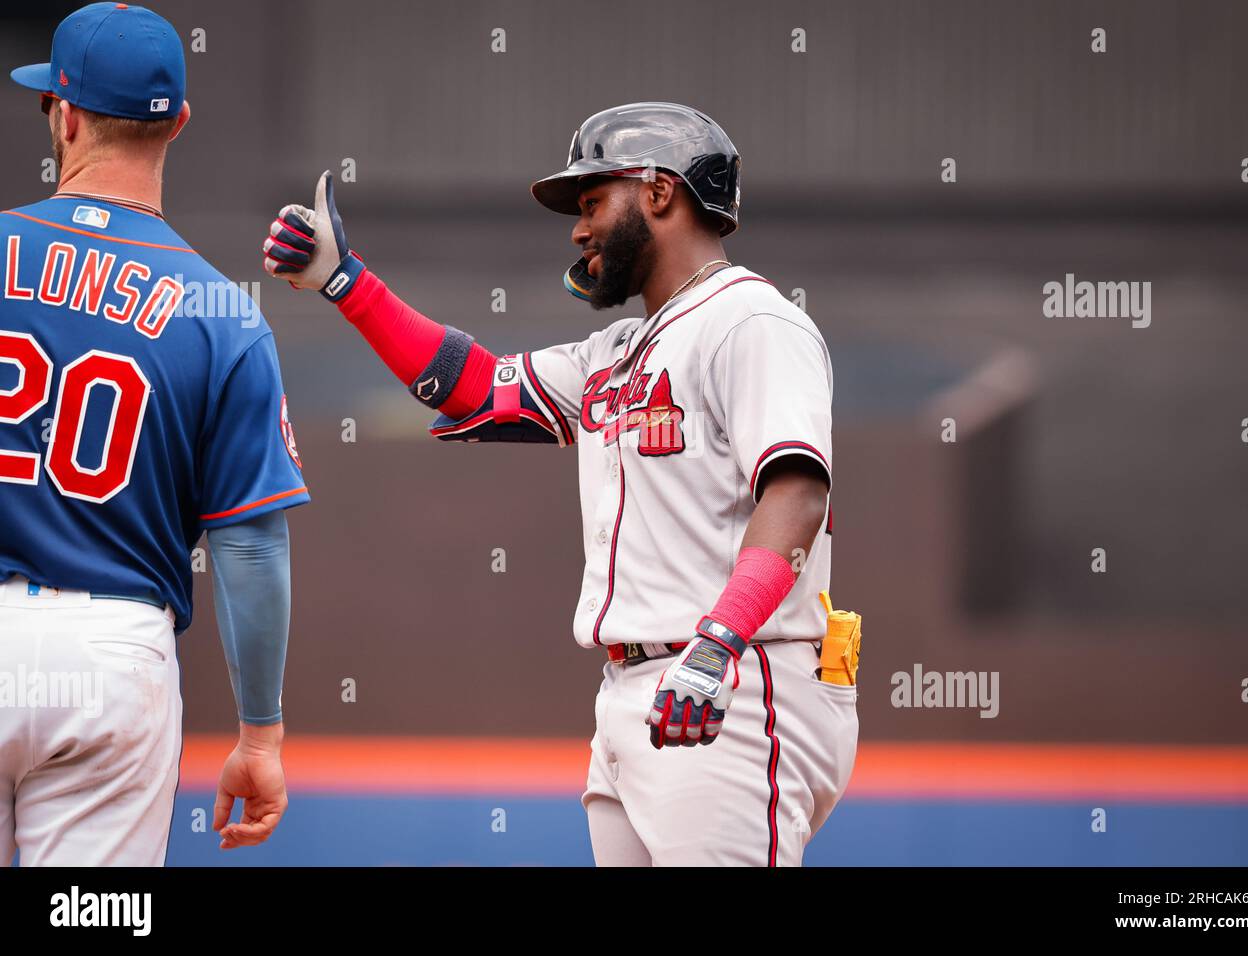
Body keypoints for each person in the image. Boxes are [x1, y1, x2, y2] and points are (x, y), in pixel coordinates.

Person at [262, 102, 857, 866]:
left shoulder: (752, 321)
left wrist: (716, 647)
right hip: (636, 695)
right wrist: (345, 281)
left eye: (591, 202)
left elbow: (799, 494)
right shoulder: (618, 349)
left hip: (731, 685)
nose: (578, 231)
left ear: (659, 192)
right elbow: (470, 387)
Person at [0, 3, 309, 865]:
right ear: (177, 121)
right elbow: (251, 549)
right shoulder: (223, 313)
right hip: (113, 657)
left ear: (62, 114)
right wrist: (260, 735)